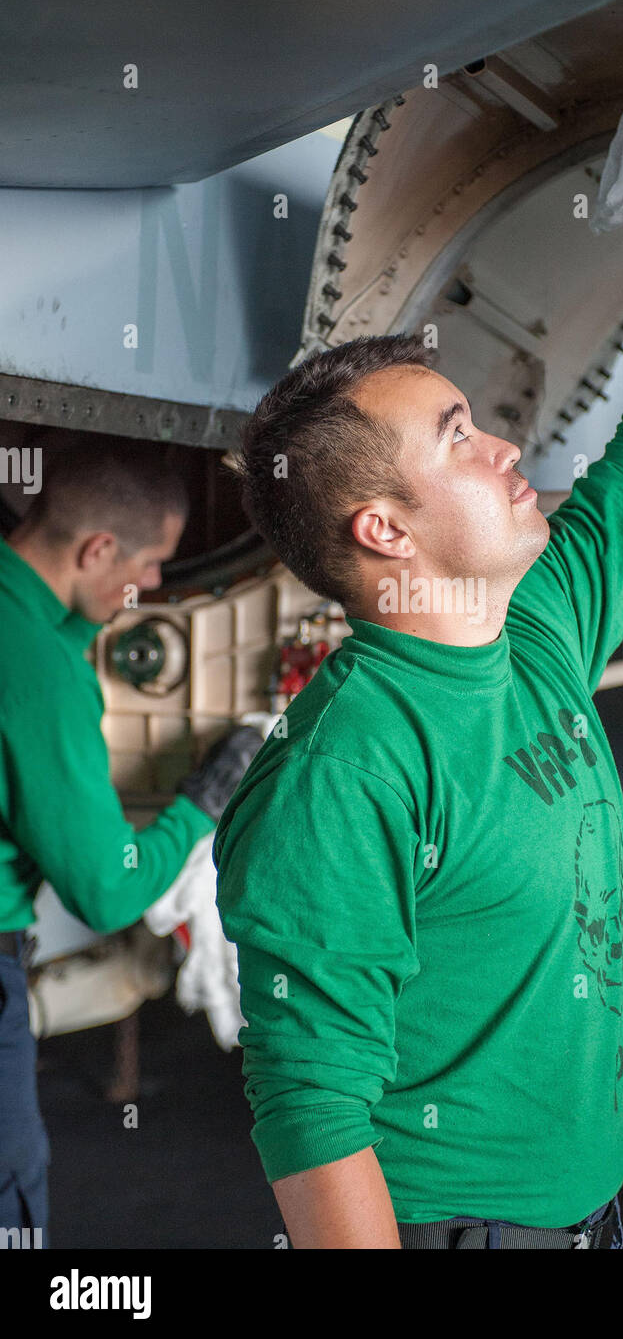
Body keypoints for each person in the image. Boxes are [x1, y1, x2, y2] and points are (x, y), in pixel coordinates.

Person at [214, 113, 623, 1248]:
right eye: (459, 436)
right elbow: (313, 1111)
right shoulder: (345, 769)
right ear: (383, 529)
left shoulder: (537, 623)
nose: (506, 447)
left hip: (593, 1212)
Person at [0, 442, 262, 1243]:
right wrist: (201, 802)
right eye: (151, 564)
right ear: (97, 550)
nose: (151, 587)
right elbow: (110, 890)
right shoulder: (40, 667)